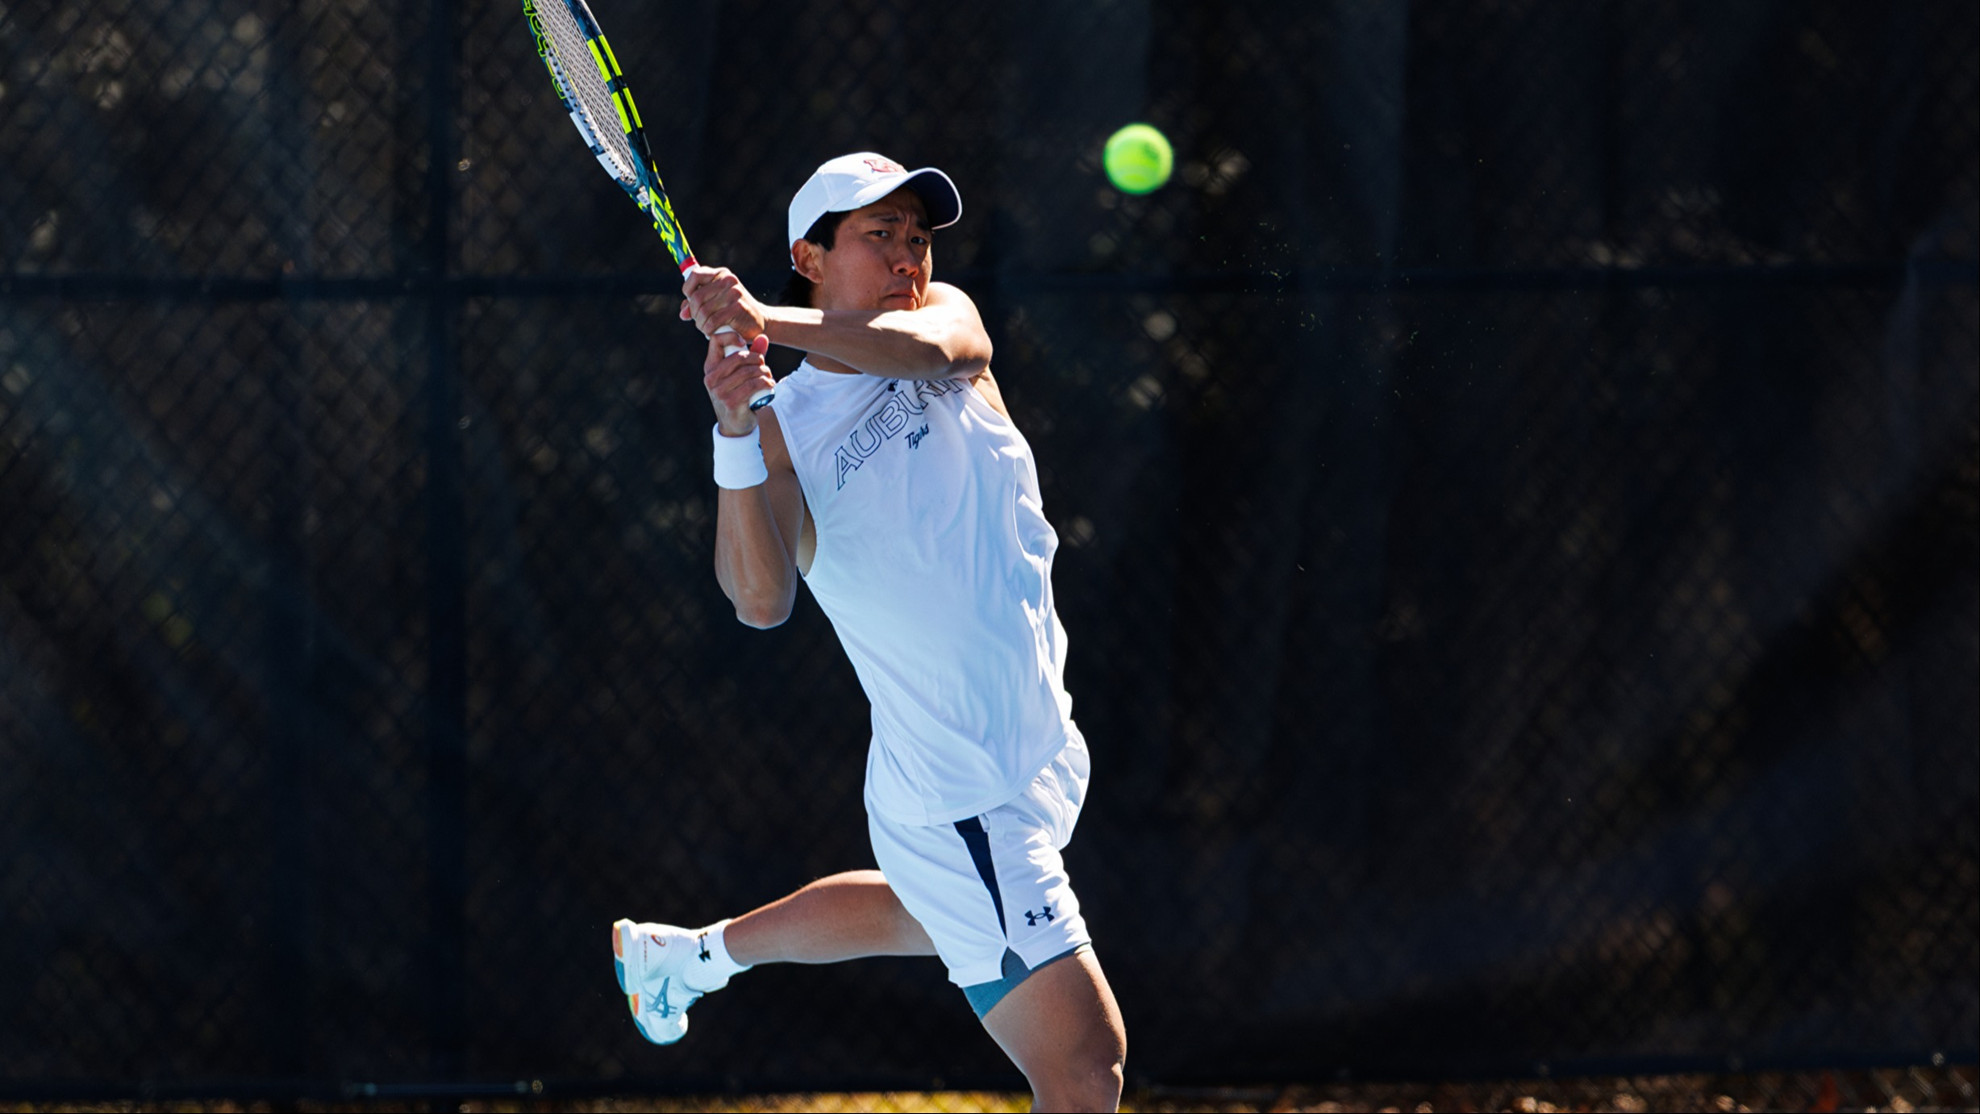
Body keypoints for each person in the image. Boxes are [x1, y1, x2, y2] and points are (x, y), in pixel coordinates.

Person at [610, 152, 1126, 1112]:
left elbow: (932, 353)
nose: (906, 259)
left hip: (1039, 745)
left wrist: (764, 319)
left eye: (917, 238)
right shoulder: (781, 428)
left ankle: (687, 959)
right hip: (958, 788)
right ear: (809, 254)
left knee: (927, 913)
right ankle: (689, 960)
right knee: (1085, 1063)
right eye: (876, 236)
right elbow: (759, 600)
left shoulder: (947, 322)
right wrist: (732, 428)